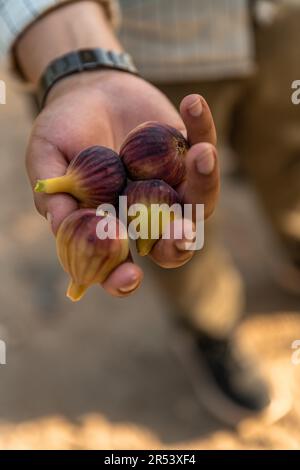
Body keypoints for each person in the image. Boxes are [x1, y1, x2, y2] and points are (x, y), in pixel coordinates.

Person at [1, 0, 299, 424]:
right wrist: (79, 59)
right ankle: (209, 325)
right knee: (180, 236)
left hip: (286, 17)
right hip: (147, 44)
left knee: (291, 153)